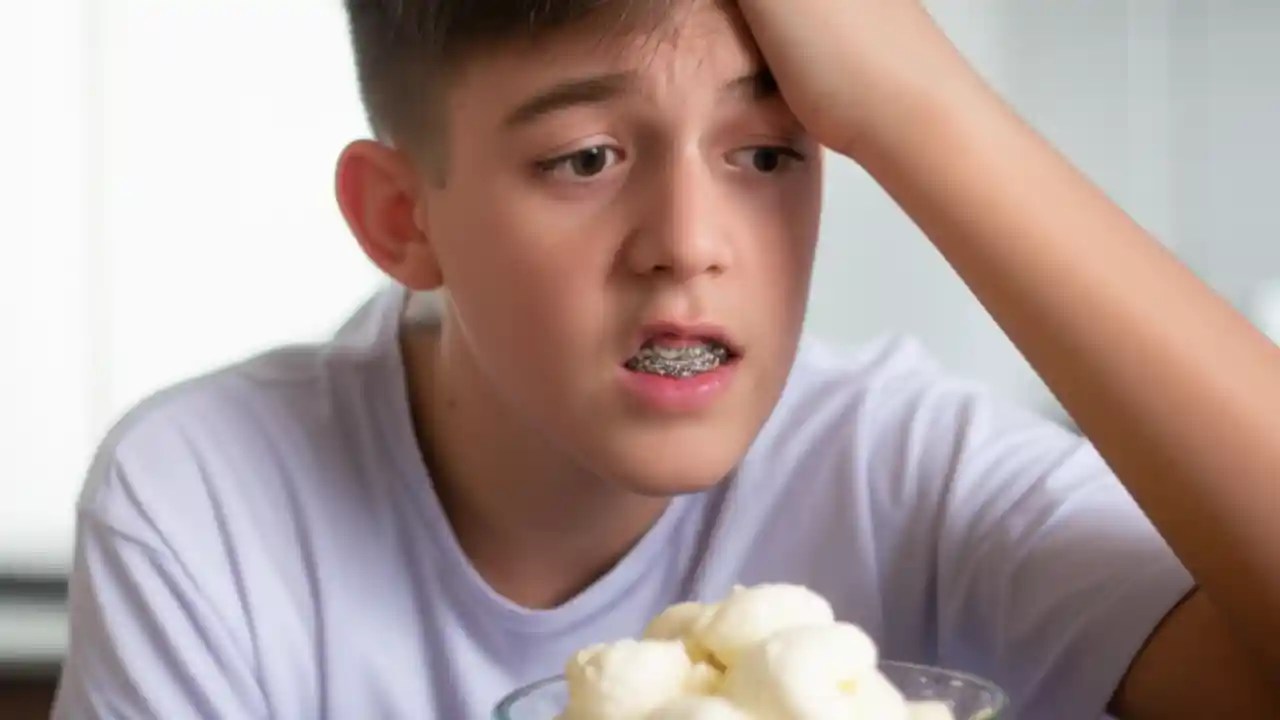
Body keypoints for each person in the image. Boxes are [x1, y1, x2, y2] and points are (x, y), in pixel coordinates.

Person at [53, 1, 1280, 718]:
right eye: (585, 160)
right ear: (399, 219)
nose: (689, 248)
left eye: (768, 154)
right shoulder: (204, 502)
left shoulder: (910, 468)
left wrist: (922, 112)